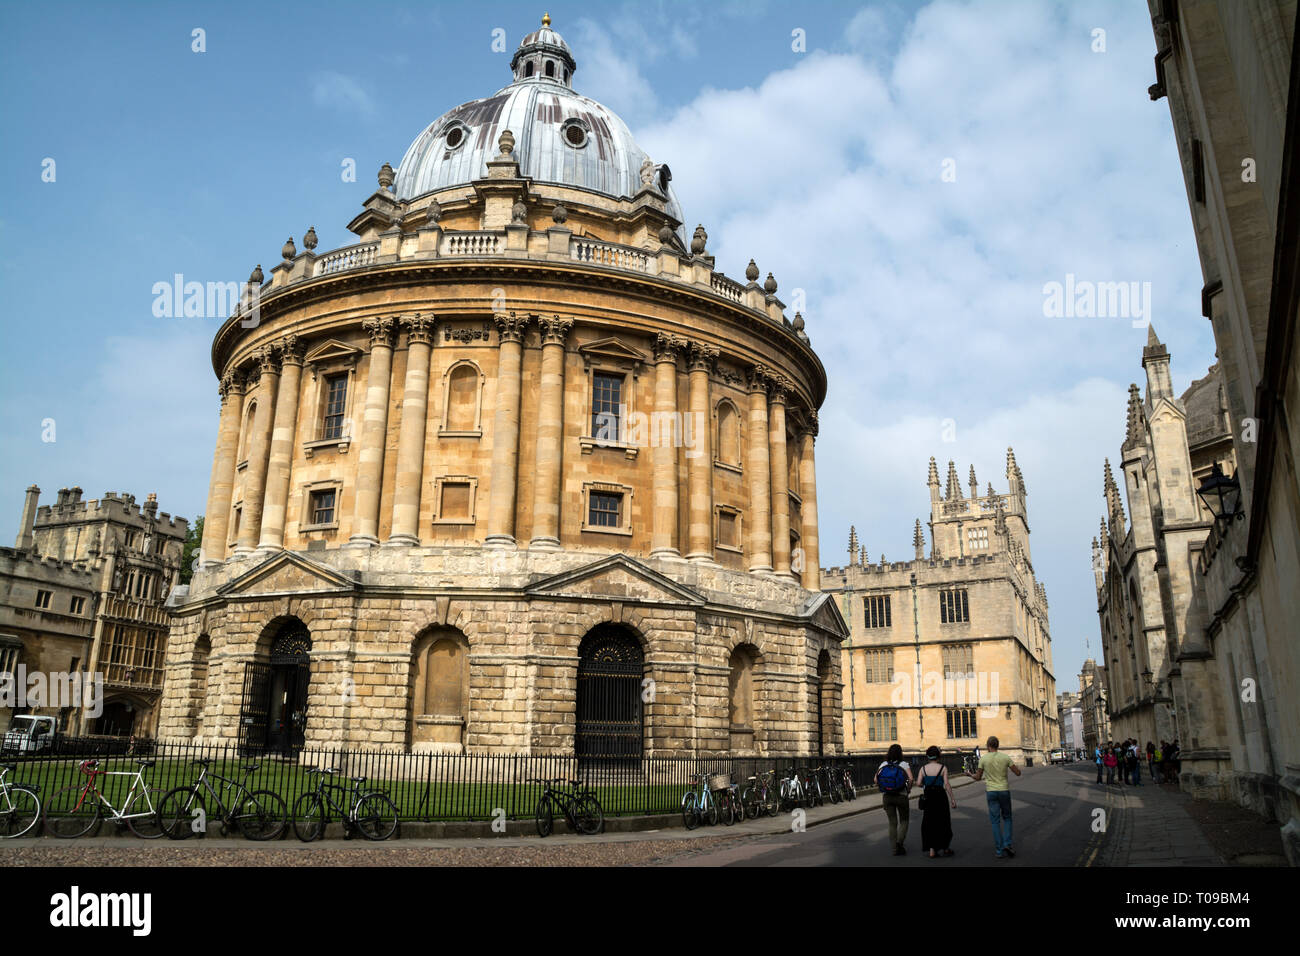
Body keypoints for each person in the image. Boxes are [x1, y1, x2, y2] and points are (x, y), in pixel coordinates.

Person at [973, 735, 1021, 858]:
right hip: (1004, 790)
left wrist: (969, 774)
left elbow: (978, 777)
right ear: (997, 745)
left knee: (995, 821)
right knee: (1007, 818)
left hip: (991, 792)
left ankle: (999, 850)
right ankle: (1007, 844)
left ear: (988, 746)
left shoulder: (983, 759)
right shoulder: (1005, 757)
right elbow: (1018, 773)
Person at [918, 745, 957, 858]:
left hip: (929, 796)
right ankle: (945, 847)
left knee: (929, 822)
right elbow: (947, 784)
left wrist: (926, 784)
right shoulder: (943, 768)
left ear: (927, 756)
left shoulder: (923, 769)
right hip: (940, 796)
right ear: (938, 756)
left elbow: (919, 783)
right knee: (943, 821)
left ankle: (932, 850)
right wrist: (952, 799)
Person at [874, 744, 913, 856]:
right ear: (900, 753)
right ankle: (899, 843)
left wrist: (884, 787)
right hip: (901, 795)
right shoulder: (904, 764)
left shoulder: (884, 764)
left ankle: (894, 849)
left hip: (887, 796)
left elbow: (875, 780)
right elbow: (910, 779)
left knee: (892, 823)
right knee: (904, 820)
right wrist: (908, 789)